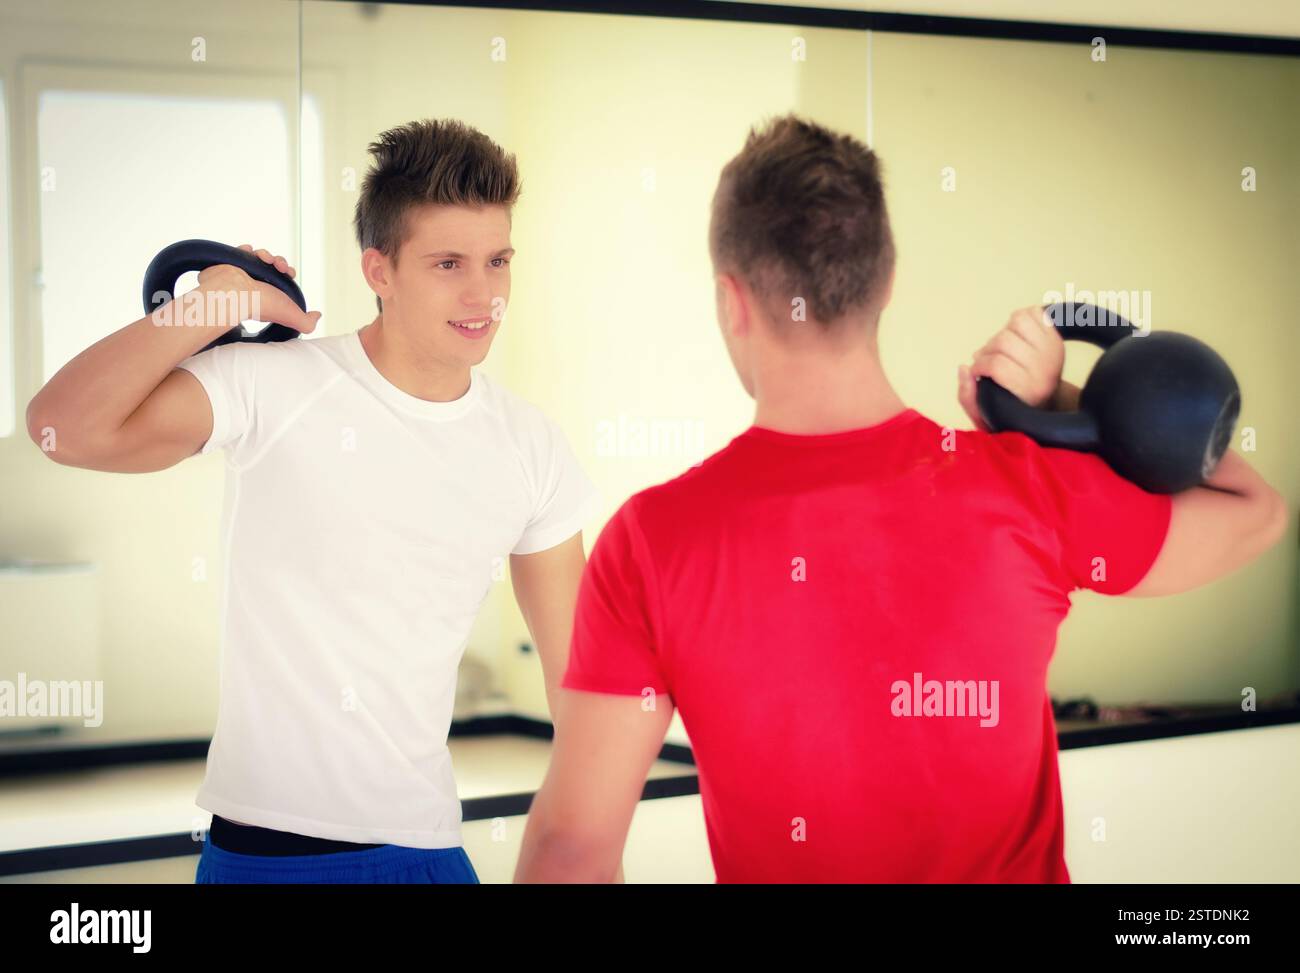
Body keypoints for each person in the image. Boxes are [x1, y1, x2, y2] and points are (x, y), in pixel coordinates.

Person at [513, 113, 1289, 883]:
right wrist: (1060, 409)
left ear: (731, 300)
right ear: (887, 277)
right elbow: (1253, 507)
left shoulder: (650, 540)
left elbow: (570, 851)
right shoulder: (1027, 485)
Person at [26, 119, 602, 884]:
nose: (483, 293)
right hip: (266, 853)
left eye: (498, 261)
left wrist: (587, 855)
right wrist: (209, 307)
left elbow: (582, 690)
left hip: (427, 852)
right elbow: (63, 426)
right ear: (380, 269)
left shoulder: (529, 445)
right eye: (448, 263)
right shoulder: (274, 384)